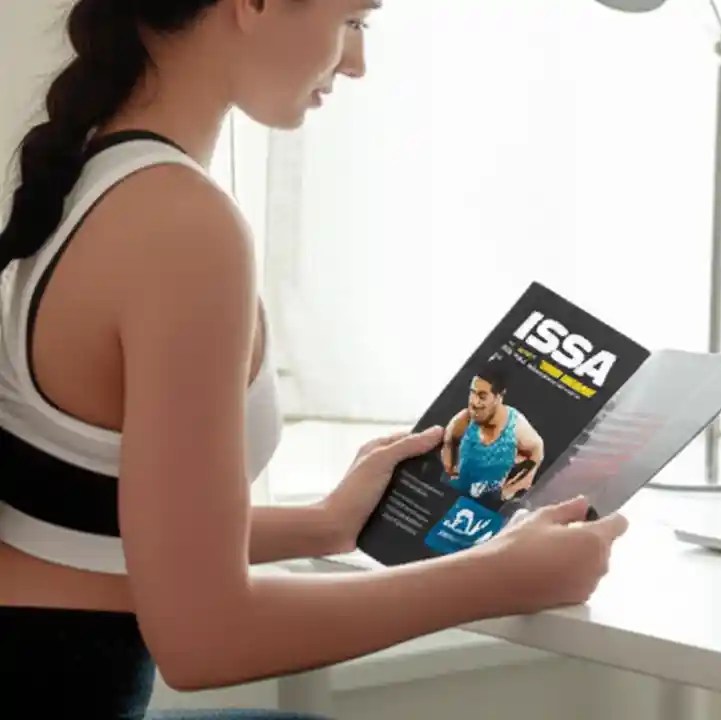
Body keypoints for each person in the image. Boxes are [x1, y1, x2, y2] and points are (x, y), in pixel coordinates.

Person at [0, 1, 628, 718]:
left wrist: (323, 524)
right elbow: (206, 637)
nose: (356, 62)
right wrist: (501, 576)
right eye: (354, 19)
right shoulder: (179, 224)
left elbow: (89, 514)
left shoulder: (100, 177)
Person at [441, 362, 545, 504]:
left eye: (482, 396)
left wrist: (511, 489)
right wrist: (451, 470)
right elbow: (448, 445)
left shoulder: (516, 426)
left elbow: (537, 450)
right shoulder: (461, 421)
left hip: (489, 502)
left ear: (498, 397)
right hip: (455, 494)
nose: (474, 403)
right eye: (472, 393)